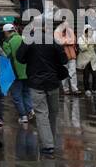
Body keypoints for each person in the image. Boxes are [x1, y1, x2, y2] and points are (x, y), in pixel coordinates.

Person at [16, 28, 68, 158]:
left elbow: (20, 58)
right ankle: (50, 141)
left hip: (36, 82)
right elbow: (64, 60)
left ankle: (48, 145)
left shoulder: (28, 41)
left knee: (41, 114)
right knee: (53, 113)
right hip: (53, 81)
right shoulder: (53, 40)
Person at [2, 23, 32, 123]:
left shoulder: (7, 42)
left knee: (16, 95)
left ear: (6, 32)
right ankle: (30, 110)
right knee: (27, 92)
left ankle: (23, 116)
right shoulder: (24, 38)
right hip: (28, 70)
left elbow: (7, 57)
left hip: (15, 72)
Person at [75, 21, 96, 96]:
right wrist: (89, 44)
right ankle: (87, 89)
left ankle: (94, 89)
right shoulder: (81, 38)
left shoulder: (92, 38)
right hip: (85, 60)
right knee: (86, 75)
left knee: (95, 74)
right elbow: (82, 48)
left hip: (93, 60)